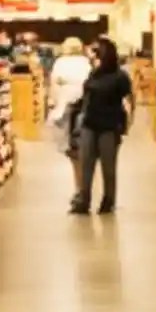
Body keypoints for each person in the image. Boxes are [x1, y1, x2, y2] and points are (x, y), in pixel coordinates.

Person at [72, 37, 134, 215]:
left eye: (98, 52)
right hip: (90, 124)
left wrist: (127, 123)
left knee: (108, 167)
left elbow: (129, 98)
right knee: (86, 165)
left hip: (110, 125)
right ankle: (84, 201)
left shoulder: (120, 76)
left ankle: (108, 201)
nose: (95, 56)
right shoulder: (94, 73)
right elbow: (86, 97)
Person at [48, 37, 91, 196]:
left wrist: (52, 101)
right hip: (83, 108)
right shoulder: (86, 63)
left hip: (65, 108)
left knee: (72, 149)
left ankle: (79, 187)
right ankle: (83, 185)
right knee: (81, 147)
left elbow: (54, 85)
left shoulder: (60, 63)